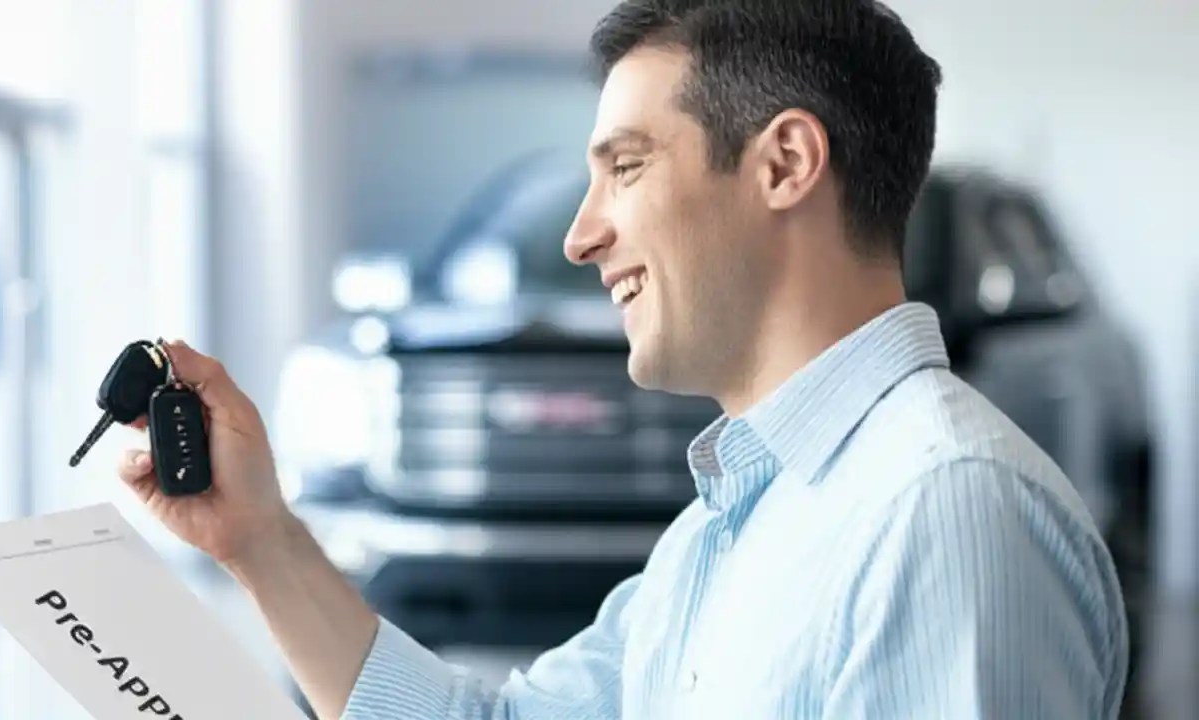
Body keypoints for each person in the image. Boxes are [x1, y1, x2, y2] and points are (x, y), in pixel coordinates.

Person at [119, 1, 1129, 718]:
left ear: (783, 164)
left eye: (626, 168)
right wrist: (259, 540)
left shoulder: (944, 511)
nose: (580, 236)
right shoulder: (722, 531)